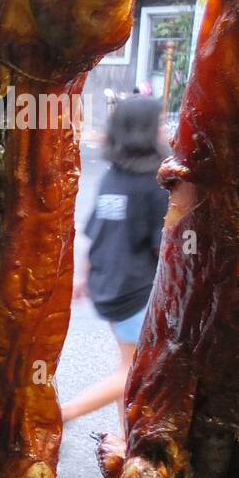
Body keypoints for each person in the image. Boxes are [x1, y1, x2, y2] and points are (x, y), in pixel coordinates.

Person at [62, 95, 169, 429]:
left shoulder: (114, 176)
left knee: (131, 364)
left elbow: (95, 232)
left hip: (108, 285)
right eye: (161, 123)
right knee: (133, 371)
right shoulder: (155, 184)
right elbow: (163, 246)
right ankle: (60, 416)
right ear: (145, 131)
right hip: (136, 289)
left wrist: (83, 277)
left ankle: (126, 440)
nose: (166, 129)